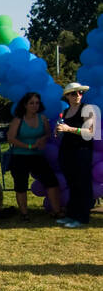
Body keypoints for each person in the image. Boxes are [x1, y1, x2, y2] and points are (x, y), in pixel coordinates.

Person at [6, 92, 62, 220]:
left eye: (37, 103)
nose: (34, 105)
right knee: (21, 185)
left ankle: (57, 211)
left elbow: (49, 134)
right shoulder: (18, 120)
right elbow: (10, 138)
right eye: (31, 103)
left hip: (37, 156)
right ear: (25, 105)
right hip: (20, 156)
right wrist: (29, 146)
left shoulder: (42, 118)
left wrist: (43, 138)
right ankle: (24, 213)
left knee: (51, 181)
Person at [55, 83, 93, 228]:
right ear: (67, 96)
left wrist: (68, 129)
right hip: (67, 151)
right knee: (72, 184)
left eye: (80, 92)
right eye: (73, 93)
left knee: (82, 185)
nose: (77, 95)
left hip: (82, 151)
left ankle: (82, 217)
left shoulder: (87, 109)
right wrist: (59, 130)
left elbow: (90, 132)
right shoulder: (66, 112)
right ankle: (71, 215)